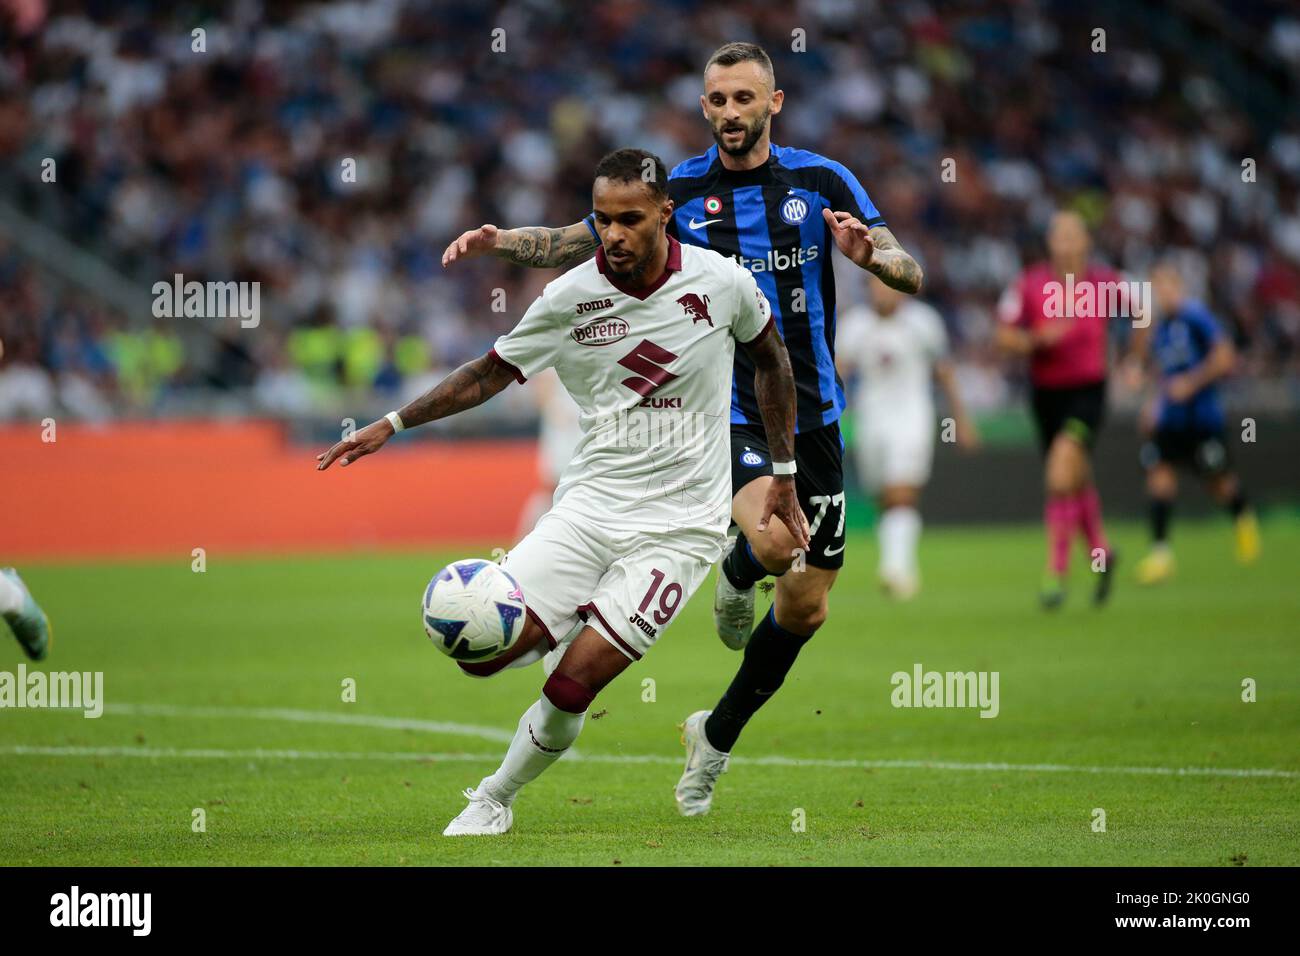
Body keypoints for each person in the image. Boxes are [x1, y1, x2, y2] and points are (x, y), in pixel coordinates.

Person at [442, 42, 922, 816]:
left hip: (816, 412)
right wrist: (504, 241)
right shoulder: (682, 189)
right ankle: (737, 570)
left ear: (774, 103)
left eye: (743, 98)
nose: (729, 111)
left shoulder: (821, 181)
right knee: (773, 541)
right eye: (716, 99)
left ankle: (716, 734)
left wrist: (877, 261)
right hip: (721, 408)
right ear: (704, 109)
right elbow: (580, 239)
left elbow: (908, 264)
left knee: (805, 605)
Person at [319, 149, 806, 835]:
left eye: (630, 219)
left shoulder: (720, 282)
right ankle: (573, 621)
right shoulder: (570, 296)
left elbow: (772, 362)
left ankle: (493, 798)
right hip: (587, 510)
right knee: (484, 659)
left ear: (666, 214)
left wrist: (783, 474)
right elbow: (489, 373)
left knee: (571, 683)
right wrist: (394, 423)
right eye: (603, 219)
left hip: (678, 530)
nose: (613, 234)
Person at [996, 211, 1122, 609]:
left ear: (1086, 242)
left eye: (1072, 236)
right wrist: (1035, 339)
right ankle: (1102, 552)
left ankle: (1056, 572)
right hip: (1046, 394)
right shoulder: (1030, 283)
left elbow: (1143, 317)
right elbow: (1003, 335)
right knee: (1075, 478)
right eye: (1058, 236)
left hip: (1088, 391)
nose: (1065, 243)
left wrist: (1136, 363)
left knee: (1060, 469)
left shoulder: (1105, 282)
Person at [838, 278, 978, 598]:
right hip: (871, 420)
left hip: (913, 417)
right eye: (873, 283)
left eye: (886, 283)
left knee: (902, 490)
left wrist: (961, 420)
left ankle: (895, 569)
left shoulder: (923, 322)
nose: (881, 290)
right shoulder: (854, 325)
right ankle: (900, 564)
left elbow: (944, 372)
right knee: (885, 497)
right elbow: (838, 373)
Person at [1132, 262, 1260, 583]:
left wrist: (1192, 381)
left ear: (1180, 287)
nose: (1163, 294)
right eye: (1157, 288)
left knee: (1219, 483)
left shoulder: (1196, 317)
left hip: (1202, 420)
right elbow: (1161, 376)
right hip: (1170, 422)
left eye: (1167, 286)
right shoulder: (1158, 329)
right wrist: (1152, 405)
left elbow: (1225, 356)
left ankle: (1243, 519)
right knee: (1159, 478)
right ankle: (1161, 555)